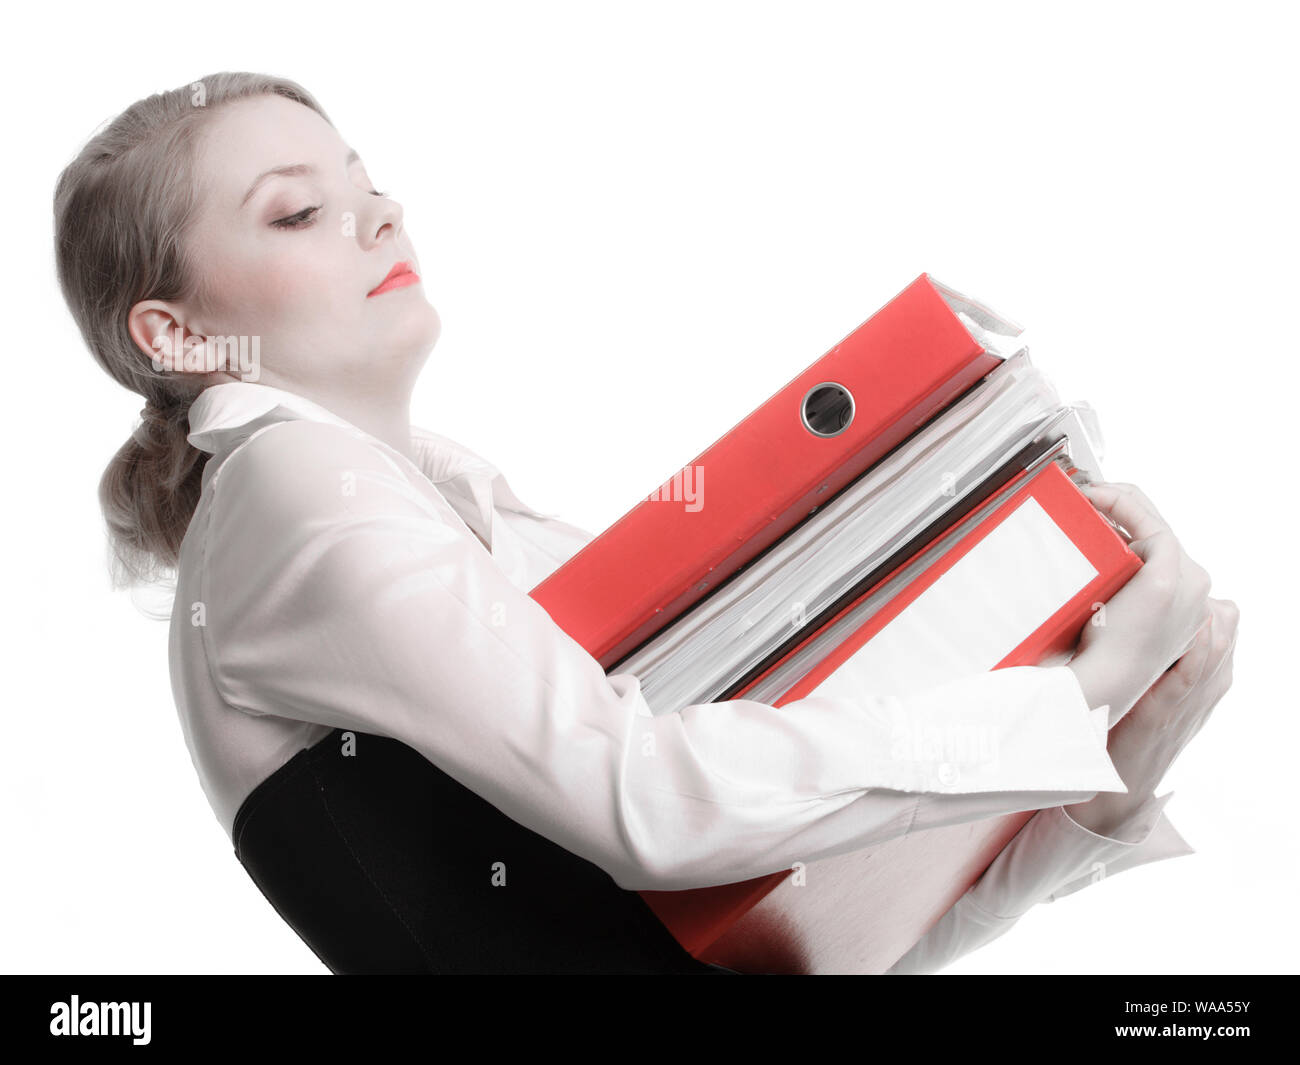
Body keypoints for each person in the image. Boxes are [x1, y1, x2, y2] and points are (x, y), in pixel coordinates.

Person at [54, 71, 1238, 974]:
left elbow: (782, 940)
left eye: (364, 182)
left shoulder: (435, 495)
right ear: (176, 338)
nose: (380, 213)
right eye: (297, 212)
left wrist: (1107, 773)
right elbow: (652, 808)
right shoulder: (288, 484)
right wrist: (1070, 704)